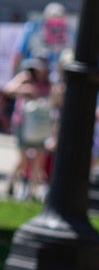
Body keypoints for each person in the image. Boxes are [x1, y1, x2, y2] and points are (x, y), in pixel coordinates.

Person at [3, 57, 54, 200]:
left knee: (39, 158)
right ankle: (11, 183)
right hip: (23, 122)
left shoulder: (49, 82)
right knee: (24, 157)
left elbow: (55, 100)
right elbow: (8, 89)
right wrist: (28, 89)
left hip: (41, 124)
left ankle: (32, 192)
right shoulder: (26, 77)